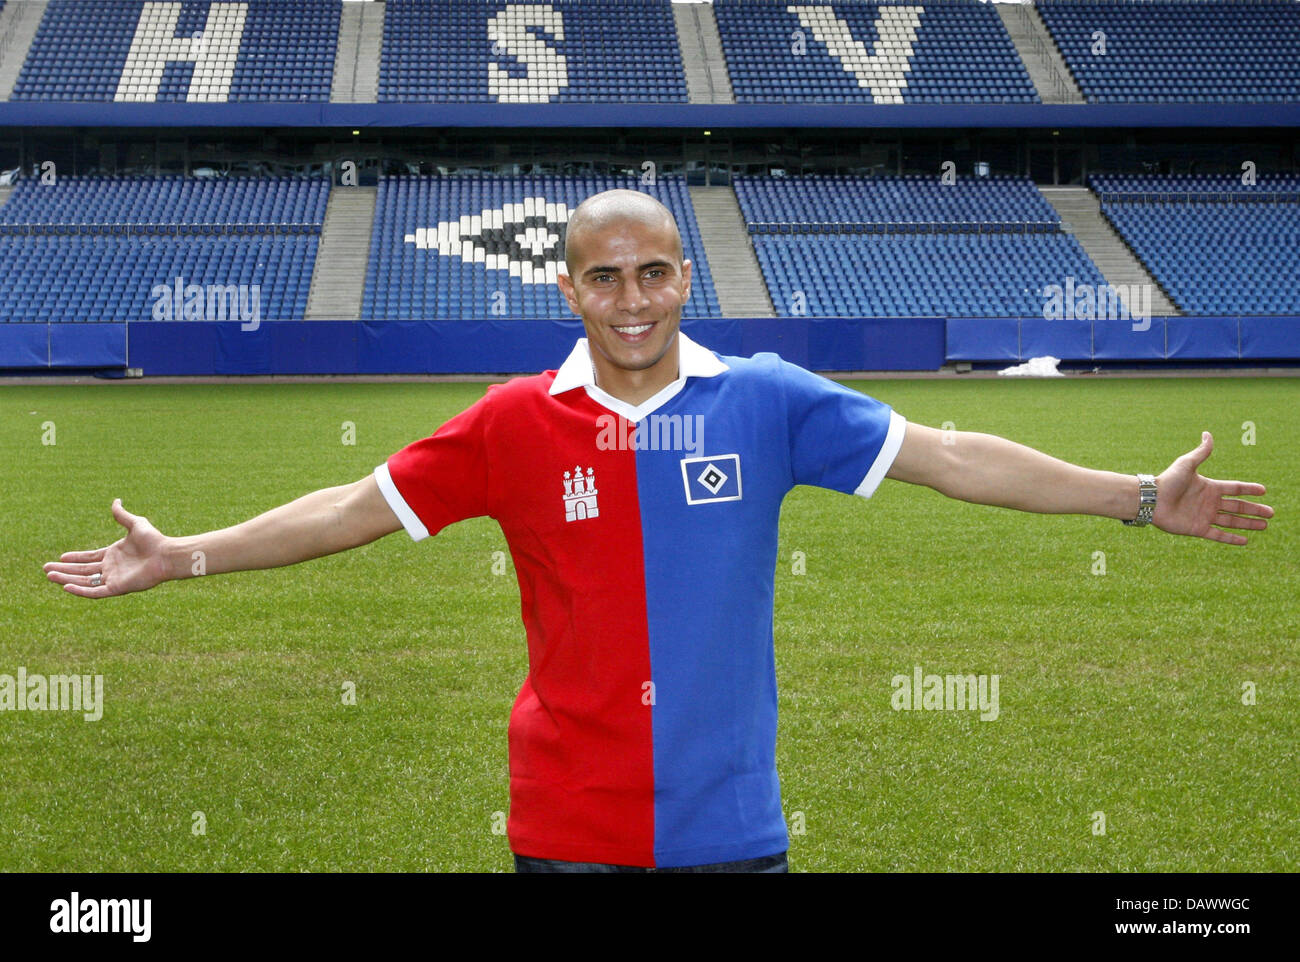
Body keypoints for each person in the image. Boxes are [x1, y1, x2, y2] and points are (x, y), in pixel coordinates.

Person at [44, 189, 1272, 874]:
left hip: (733, 826)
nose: (630, 299)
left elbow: (952, 454)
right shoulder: (513, 422)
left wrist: (1131, 496)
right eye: (603, 277)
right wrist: (183, 553)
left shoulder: (772, 398)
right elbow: (347, 511)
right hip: (568, 826)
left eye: (652, 273)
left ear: (686, 277)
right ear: (566, 288)